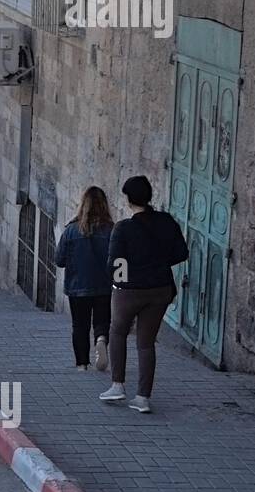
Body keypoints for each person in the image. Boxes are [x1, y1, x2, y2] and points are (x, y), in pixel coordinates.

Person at [99, 175, 189, 414]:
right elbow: (181, 253)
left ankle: (117, 385)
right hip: (160, 289)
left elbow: (115, 263)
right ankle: (143, 397)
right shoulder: (167, 222)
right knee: (146, 343)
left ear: (128, 200)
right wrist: (157, 264)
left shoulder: (124, 228)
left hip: (130, 290)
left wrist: (120, 283)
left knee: (117, 331)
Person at [54, 186, 114, 371]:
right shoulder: (111, 230)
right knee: (102, 321)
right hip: (103, 285)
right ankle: (101, 339)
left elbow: (59, 260)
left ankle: (82, 364)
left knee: (80, 325)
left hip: (77, 287)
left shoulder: (71, 231)